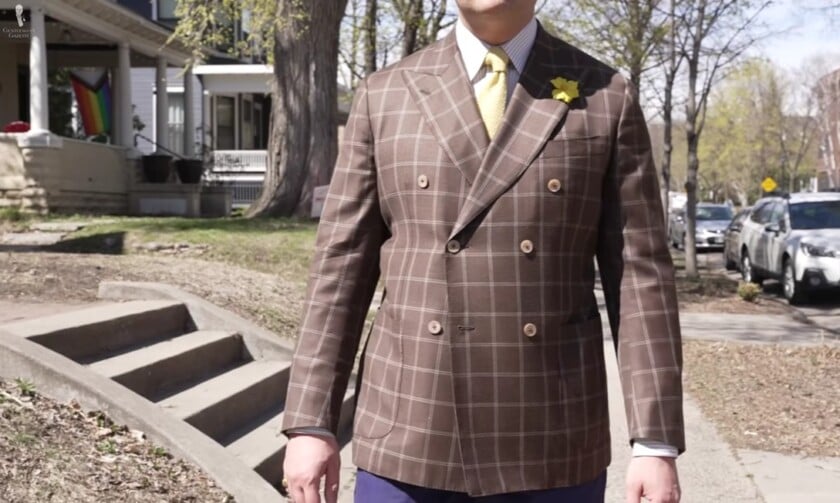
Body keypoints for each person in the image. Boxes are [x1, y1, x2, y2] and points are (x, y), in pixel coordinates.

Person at [281, 1, 685, 502]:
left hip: (552, 441)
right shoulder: (386, 94)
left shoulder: (605, 95)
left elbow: (640, 276)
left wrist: (654, 440)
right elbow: (340, 268)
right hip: (409, 430)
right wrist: (310, 421)